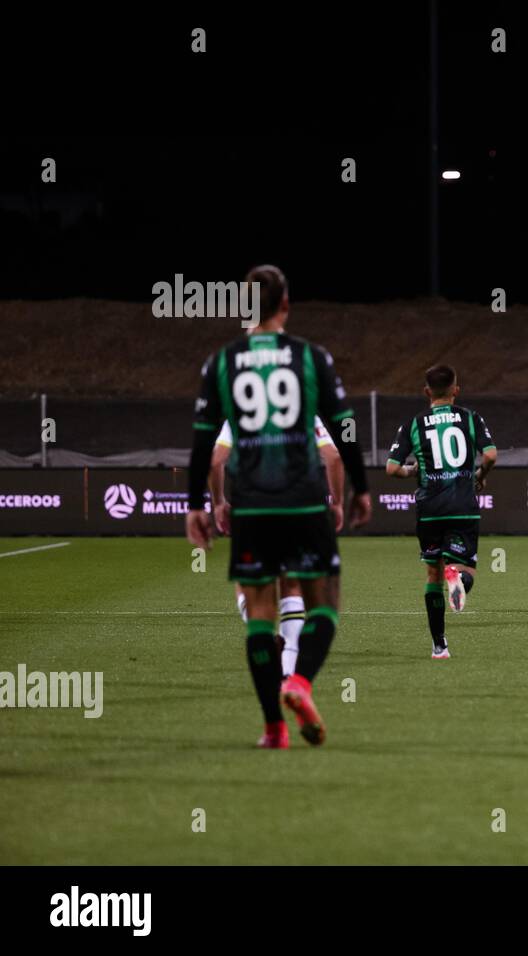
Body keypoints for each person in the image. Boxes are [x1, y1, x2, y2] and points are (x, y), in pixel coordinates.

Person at [186, 264, 372, 749]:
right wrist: (361, 490)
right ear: (286, 305)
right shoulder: (311, 358)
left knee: (259, 614)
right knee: (324, 604)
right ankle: (300, 681)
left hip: (249, 504)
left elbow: (206, 443)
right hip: (304, 500)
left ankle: (273, 729)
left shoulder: (221, 362)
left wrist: (200, 505)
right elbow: (343, 428)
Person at [211, 415, 344, 677]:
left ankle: (266, 636)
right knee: (292, 582)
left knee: (248, 581)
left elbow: (215, 461)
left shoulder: (241, 409)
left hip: (252, 508)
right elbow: (334, 457)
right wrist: (337, 501)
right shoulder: (304, 409)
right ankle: (289, 670)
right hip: (297, 507)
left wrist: (218, 502)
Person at [386, 365, 497, 659]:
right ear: (456, 390)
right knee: (467, 569)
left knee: (431, 574)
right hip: (463, 505)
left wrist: (413, 470)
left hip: (429, 508)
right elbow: (490, 454)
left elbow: (391, 468)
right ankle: (457, 577)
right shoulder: (470, 418)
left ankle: (439, 646)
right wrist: (481, 474)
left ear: (426, 392)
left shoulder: (414, 423)